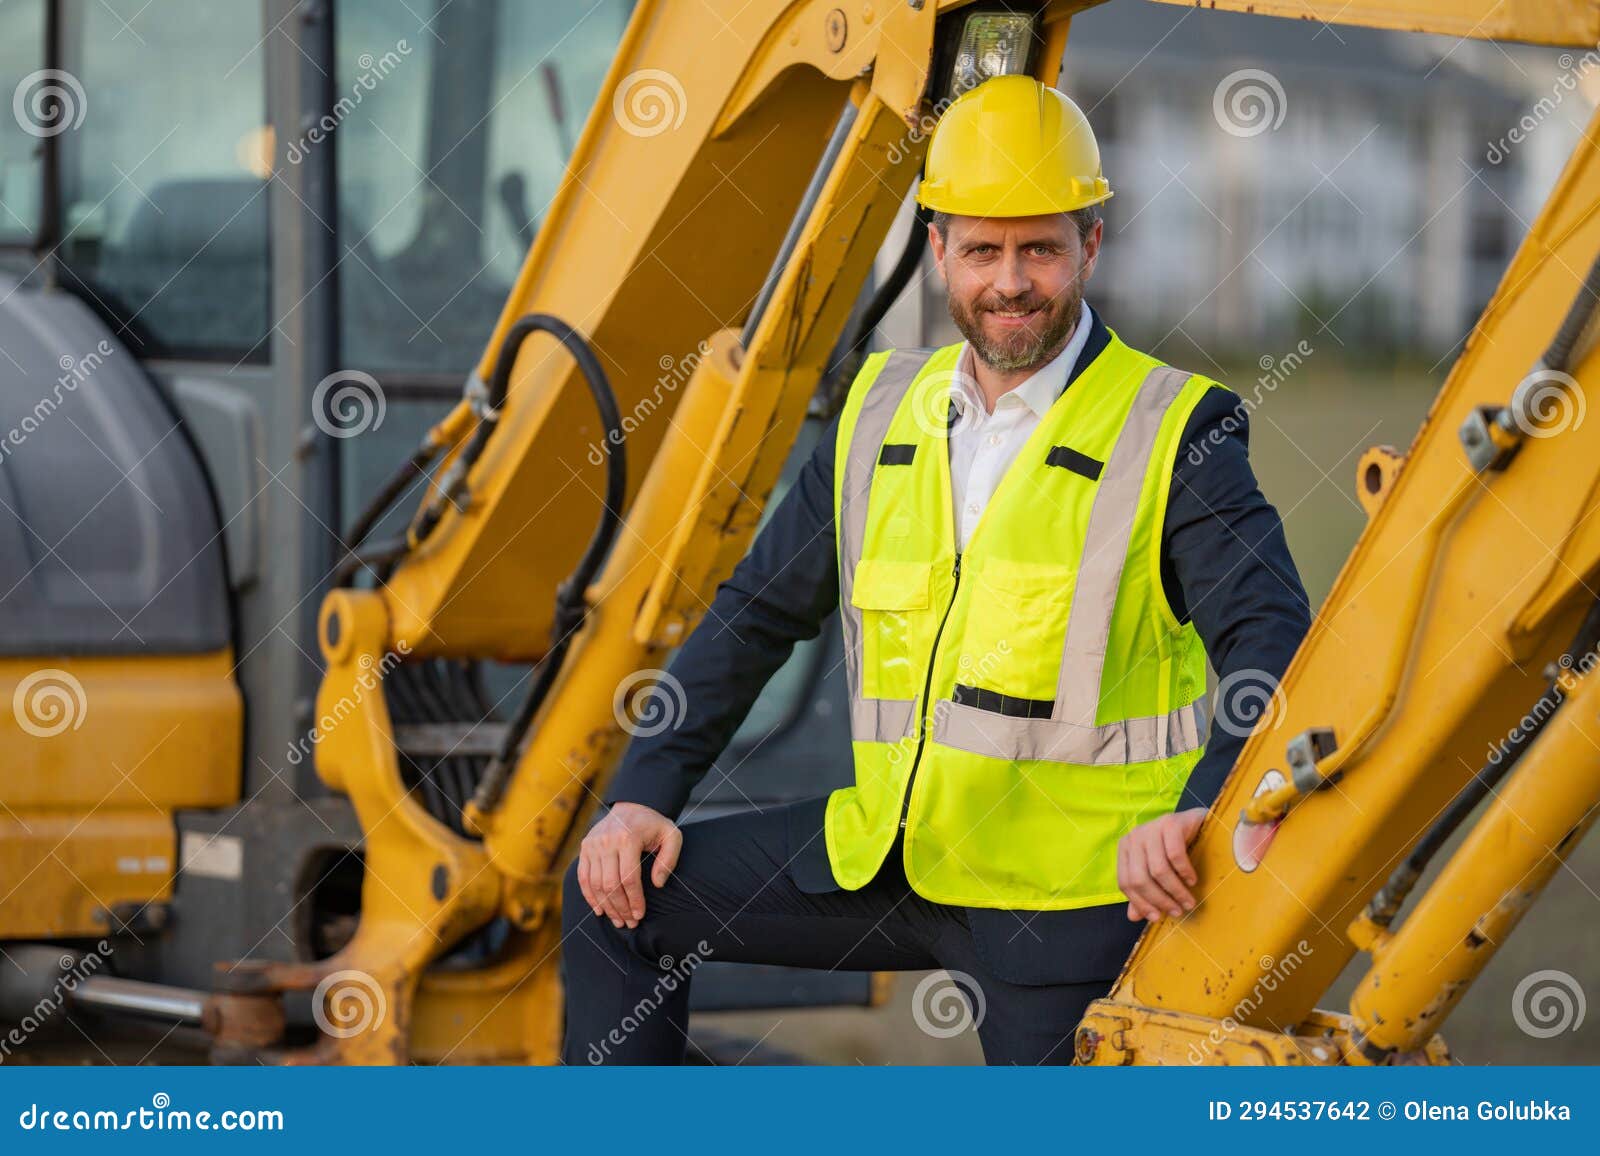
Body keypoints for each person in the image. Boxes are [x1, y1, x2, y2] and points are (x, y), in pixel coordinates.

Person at [562, 74, 1310, 1065]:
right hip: (887, 853)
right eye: (983, 249)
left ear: (1090, 244)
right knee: (613, 895)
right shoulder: (876, 409)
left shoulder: (1177, 427)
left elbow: (1272, 642)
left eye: (1039, 247)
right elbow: (755, 613)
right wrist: (644, 790)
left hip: (1067, 896)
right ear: (937, 251)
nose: (1010, 281)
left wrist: (1198, 808)